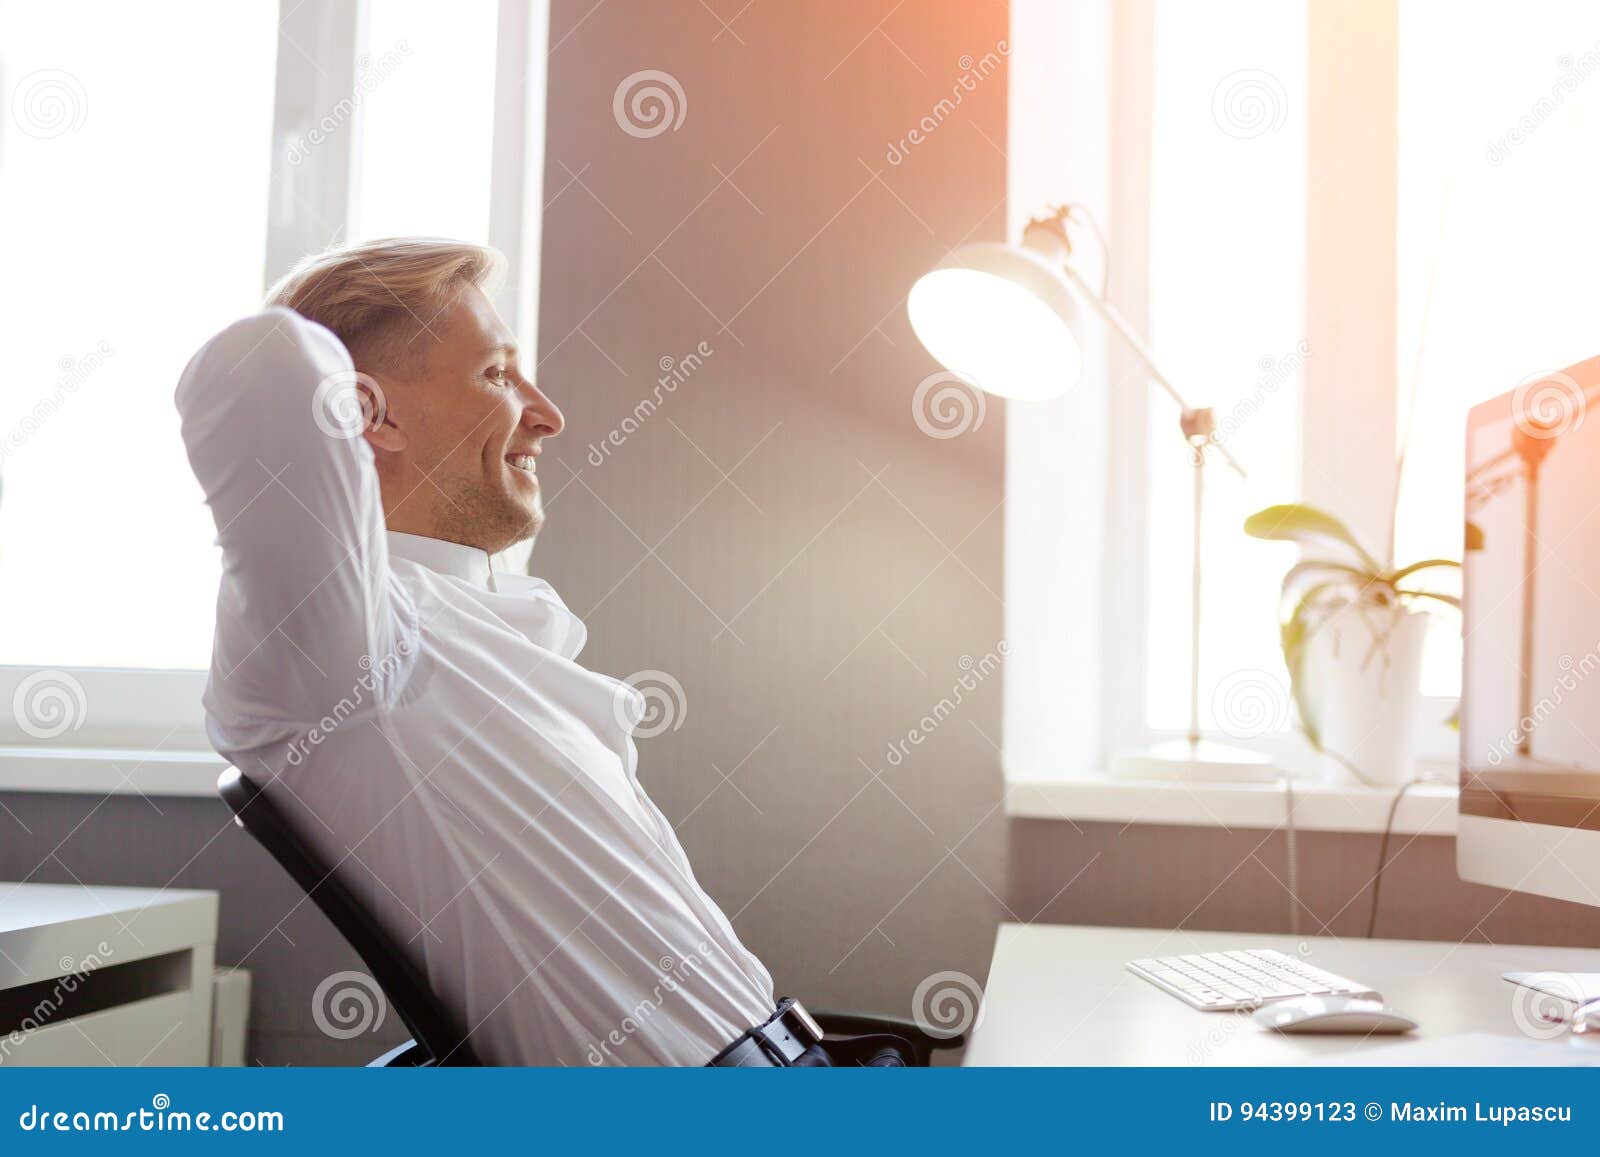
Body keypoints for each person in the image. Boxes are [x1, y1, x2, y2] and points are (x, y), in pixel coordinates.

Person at [176, 238, 839, 1065]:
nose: (547, 413)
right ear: (364, 412)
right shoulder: (342, 650)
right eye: (496, 374)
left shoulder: (482, 625)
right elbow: (261, 361)